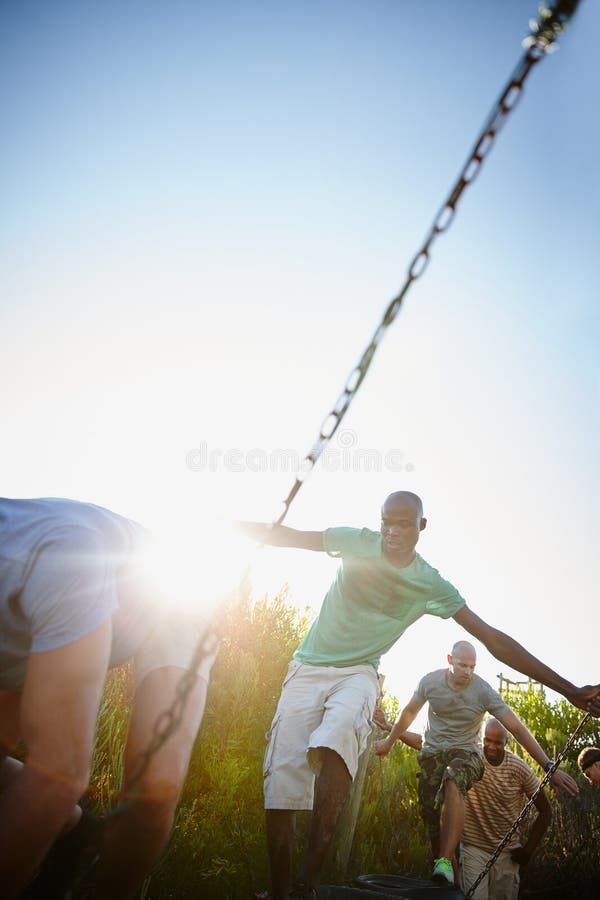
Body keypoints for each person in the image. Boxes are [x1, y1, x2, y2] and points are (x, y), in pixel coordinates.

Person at [238, 491, 599, 900]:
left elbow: (494, 639)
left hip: (358, 672)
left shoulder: (429, 582)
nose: (391, 532)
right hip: (306, 667)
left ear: (421, 527)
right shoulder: (355, 541)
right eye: (385, 522)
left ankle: (307, 883)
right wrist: (230, 526)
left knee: (339, 737)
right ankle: (280, 892)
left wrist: (569, 689)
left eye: (403, 524)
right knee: (281, 786)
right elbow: (289, 536)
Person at [0, 496, 218, 900]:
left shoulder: (51, 556)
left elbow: (58, 773)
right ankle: (73, 829)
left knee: (154, 788)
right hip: (37, 614)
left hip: (167, 603)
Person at [375, 642, 576, 886]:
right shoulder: (429, 682)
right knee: (432, 818)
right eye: (462, 665)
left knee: (454, 778)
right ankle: (449, 877)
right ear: (450, 659)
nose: (468, 671)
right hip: (432, 755)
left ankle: (445, 861)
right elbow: (408, 713)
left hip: (467, 754)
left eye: (472, 666)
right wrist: (388, 741)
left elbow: (516, 728)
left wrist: (548, 766)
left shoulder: (482, 691)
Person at [460, 718, 552, 900]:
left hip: (507, 852)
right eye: (487, 740)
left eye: (497, 742)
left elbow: (546, 811)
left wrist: (528, 850)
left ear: (506, 743)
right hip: (473, 848)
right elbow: (433, 745)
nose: (491, 746)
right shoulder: (471, 756)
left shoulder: (519, 769)